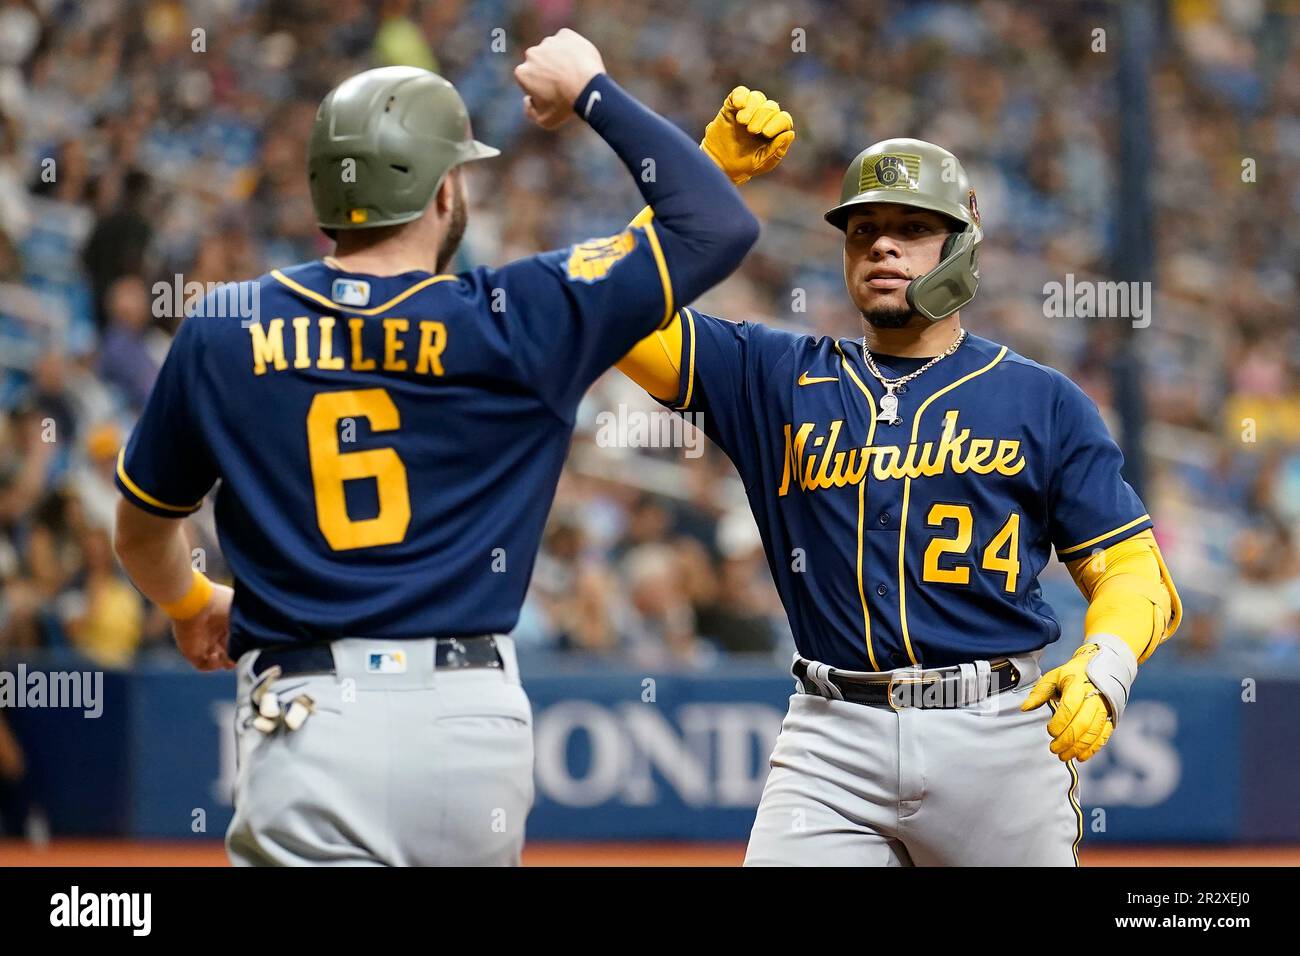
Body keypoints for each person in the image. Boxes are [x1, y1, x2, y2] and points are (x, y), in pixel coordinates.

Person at [111, 28, 761, 866]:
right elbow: (714, 223)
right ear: (447, 190)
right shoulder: (520, 313)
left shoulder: (226, 326)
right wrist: (593, 90)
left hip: (310, 713)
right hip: (468, 723)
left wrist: (191, 602)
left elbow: (140, 527)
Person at [616, 136, 1182, 866]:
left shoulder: (1042, 400)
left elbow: (1132, 568)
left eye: (912, 228)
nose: (883, 245)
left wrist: (1106, 662)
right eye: (863, 231)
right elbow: (614, 308)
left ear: (962, 243)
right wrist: (701, 173)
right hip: (832, 732)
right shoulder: (773, 374)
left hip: (997, 729)